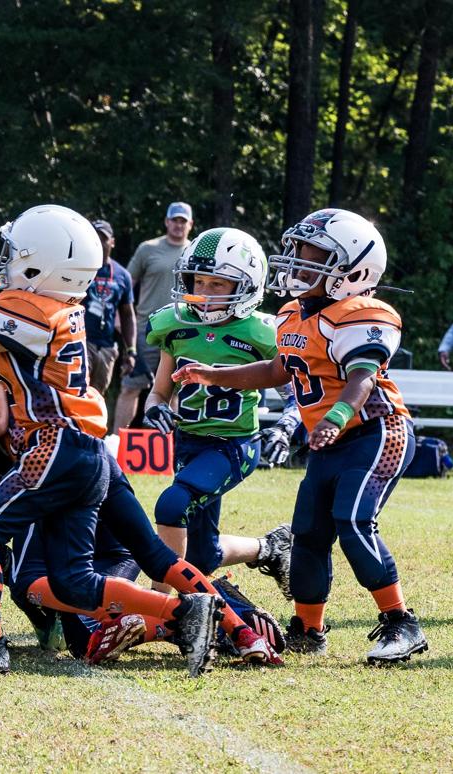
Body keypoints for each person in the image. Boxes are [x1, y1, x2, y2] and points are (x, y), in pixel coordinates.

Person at [0, 205, 280, 676]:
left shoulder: (26, 308)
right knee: (101, 570)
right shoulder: (63, 307)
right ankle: (219, 623)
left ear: (41, 263)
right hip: (89, 450)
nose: (4, 259)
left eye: (14, 252)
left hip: (53, 446)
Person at [174, 208, 429, 664]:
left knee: (352, 520)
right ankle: (308, 629)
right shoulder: (293, 313)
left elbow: (362, 378)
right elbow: (277, 370)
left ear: (351, 270)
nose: (298, 264)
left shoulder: (361, 313)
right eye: (300, 253)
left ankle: (400, 623)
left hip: (376, 430)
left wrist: (335, 416)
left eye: (314, 257)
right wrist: (215, 374)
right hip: (331, 438)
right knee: (309, 533)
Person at [140, 227, 297, 599]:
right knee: (202, 554)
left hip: (234, 445)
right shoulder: (175, 325)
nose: (203, 293)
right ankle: (272, 548)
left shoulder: (263, 333)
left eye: (217, 284)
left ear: (246, 286)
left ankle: (157, 607)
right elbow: (159, 392)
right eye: (198, 281)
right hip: (189, 443)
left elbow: (295, 395)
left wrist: (287, 427)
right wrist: (155, 410)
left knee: (172, 503)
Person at [114, 202, 193, 429]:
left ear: (190, 224)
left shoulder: (194, 250)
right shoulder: (148, 248)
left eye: (183, 221)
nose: (178, 225)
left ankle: (174, 445)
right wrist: (121, 318)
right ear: (167, 222)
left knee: (177, 388)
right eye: (174, 220)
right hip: (146, 328)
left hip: (182, 328)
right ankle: (117, 443)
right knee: (131, 386)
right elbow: (126, 283)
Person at [83, 219, 136, 396]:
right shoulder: (79, 268)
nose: (99, 242)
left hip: (106, 347)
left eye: (103, 238)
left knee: (97, 397)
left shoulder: (122, 275)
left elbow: (127, 315)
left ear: (112, 242)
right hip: (82, 342)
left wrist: (130, 351)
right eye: (94, 238)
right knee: (78, 392)